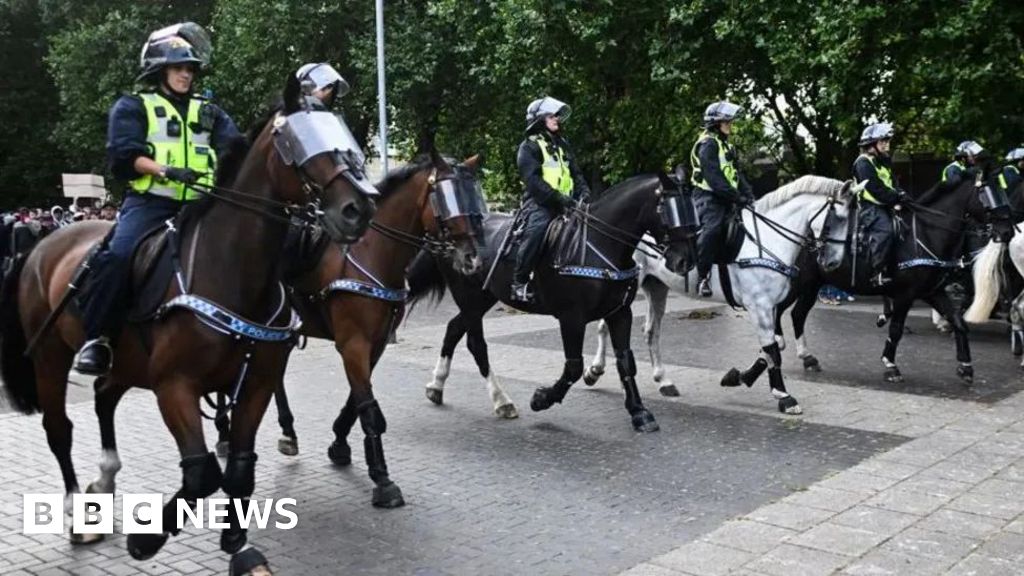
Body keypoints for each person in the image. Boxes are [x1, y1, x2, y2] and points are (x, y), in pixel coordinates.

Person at [73, 22, 242, 375]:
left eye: (191, 69)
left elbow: (237, 150)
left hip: (201, 205)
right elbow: (124, 155)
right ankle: (98, 338)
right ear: (161, 70)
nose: (186, 75)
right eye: (179, 68)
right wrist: (166, 170)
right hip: (152, 203)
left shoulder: (209, 110)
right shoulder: (134, 106)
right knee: (118, 255)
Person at [511, 96, 591, 303]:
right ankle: (519, 282)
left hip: (570, 204)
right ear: (539, 119)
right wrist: (560, 199)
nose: (557, 118)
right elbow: (534, 182)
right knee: (536, 231)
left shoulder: (562, 145)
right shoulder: (528, 147)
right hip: (541, 205)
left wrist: (584, 194)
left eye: (556, 115)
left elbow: (576, 173)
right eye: (551, 115)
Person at [690, 101, 752, 297]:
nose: (730, 126)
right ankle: (703, 277)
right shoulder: (707, 144)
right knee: (712, 229)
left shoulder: (726, 146)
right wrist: (736, 197)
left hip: (726, 197)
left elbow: (736, 174)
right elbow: (714, 178)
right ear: (716, 124)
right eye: (727, 122)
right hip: (708, 198)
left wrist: (750, 197)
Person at [852, 122, 907, 286]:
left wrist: (901, 194)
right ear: (871, 144)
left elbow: (892, 182)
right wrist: (895, 198)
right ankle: (876, 272)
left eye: (887, 141)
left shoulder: (883, 161)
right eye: (883, 141)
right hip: (870, 208)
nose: (887, 144)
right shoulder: (863, 163)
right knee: (886, 231)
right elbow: (875, 189)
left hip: (886, 205)